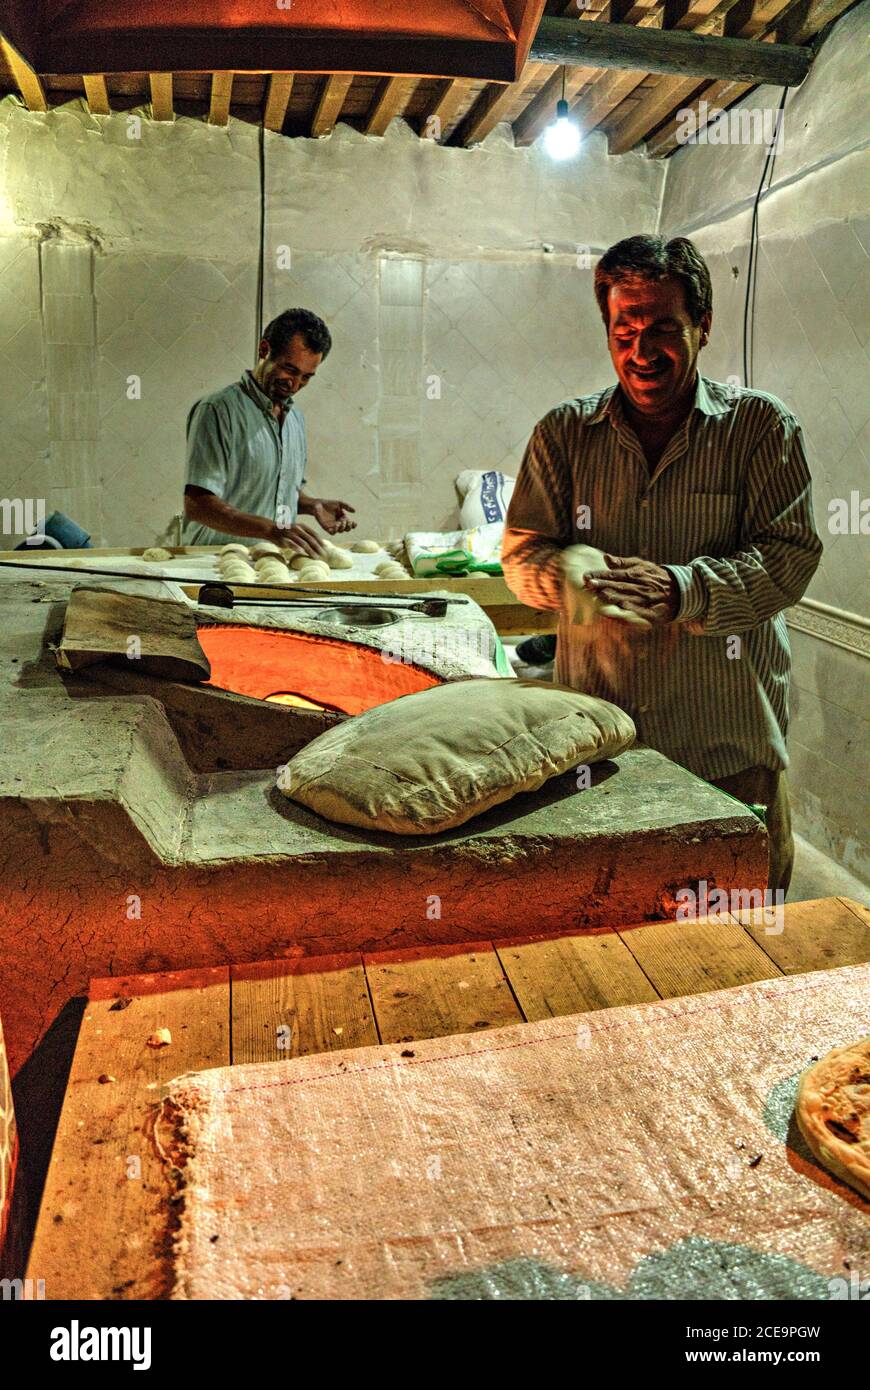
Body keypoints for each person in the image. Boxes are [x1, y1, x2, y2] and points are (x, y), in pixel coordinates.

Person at [502, 234, 823, 894]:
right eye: (625, 328)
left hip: (726, 758)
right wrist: (567, 576)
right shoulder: (564, 434)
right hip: (597, 752)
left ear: (703, 327)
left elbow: (789, 557)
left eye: (663, 329)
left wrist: (685, 590)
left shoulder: (760, 429)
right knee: (606, 946)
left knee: (740, 950)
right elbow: (521, 554)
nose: (642, 352)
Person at [182, 307, 356, 556]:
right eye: (290, 370)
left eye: (307, 377)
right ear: (264, 350)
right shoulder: (218, 410)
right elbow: (198, 505)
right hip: (215, 562)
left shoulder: (295, 419)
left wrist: (312, 505)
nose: (295, 385)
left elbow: (275, 489)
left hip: (269, 560)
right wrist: (271, 530)